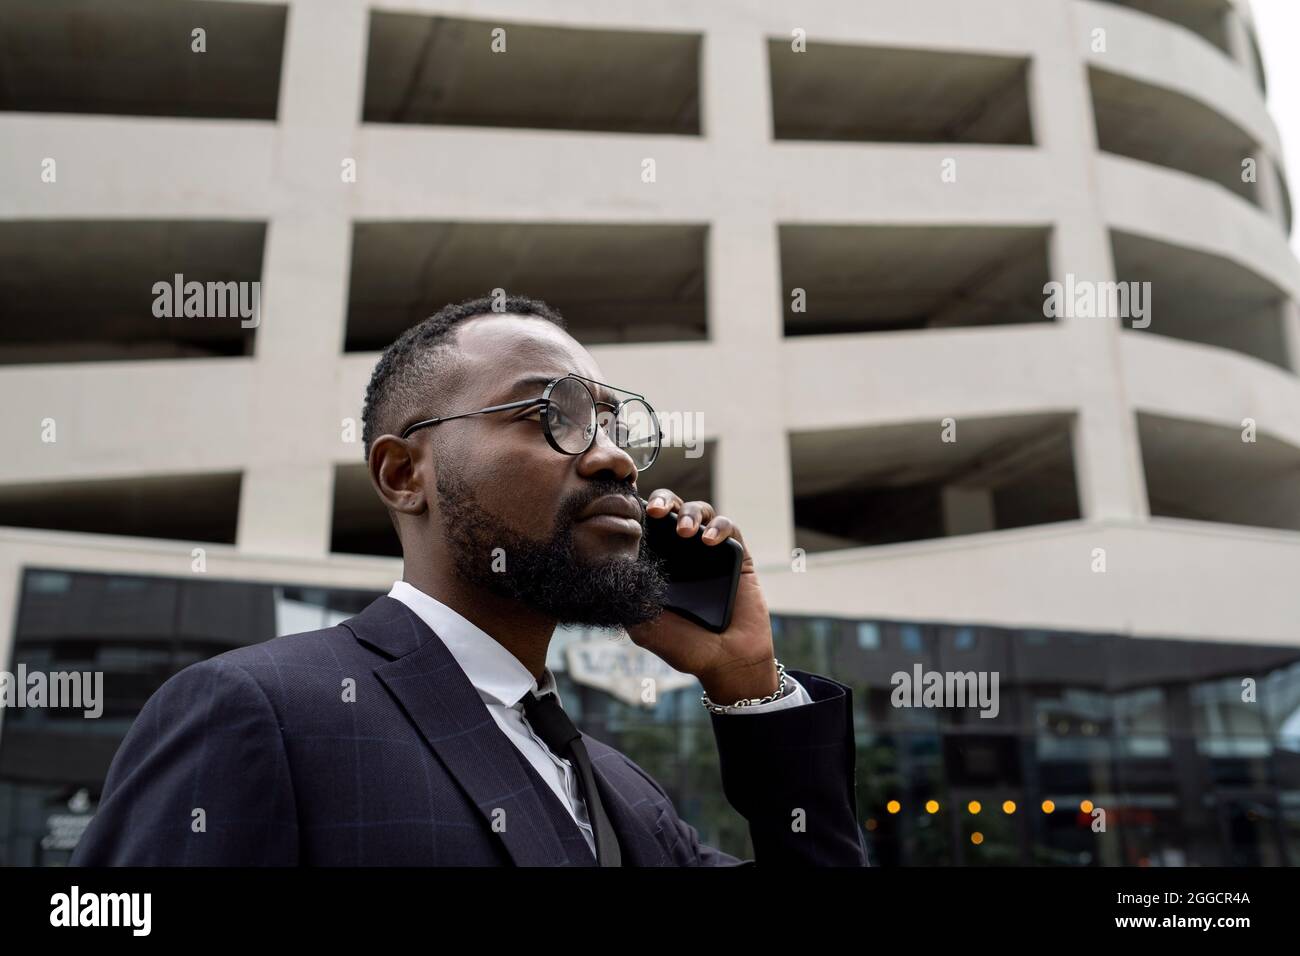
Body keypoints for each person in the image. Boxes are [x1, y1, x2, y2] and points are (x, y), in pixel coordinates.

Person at [71, 293, 869, 866]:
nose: (614, 457)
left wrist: (748, 686)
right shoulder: (259, 714)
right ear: (403, 473)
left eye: (612, 425)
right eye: (546, 415)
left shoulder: (628, 793)